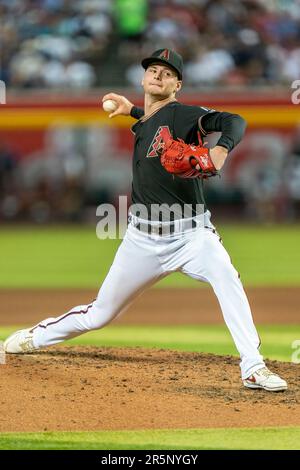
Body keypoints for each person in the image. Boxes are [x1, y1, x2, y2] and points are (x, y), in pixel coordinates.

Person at [4, 48, 287, 392]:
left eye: (167, 73)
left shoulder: (184, 115)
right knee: (100, 315)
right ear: (143, 78)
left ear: (177, 84)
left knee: (228, 280)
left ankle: (253, 366)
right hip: (142, 240)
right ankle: (37, 336)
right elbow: (153, 125)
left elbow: (234, 121)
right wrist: (133, 111)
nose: (158, 75)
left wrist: (221, 149)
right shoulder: (145, 123)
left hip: (192, 235)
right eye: (153, 70)